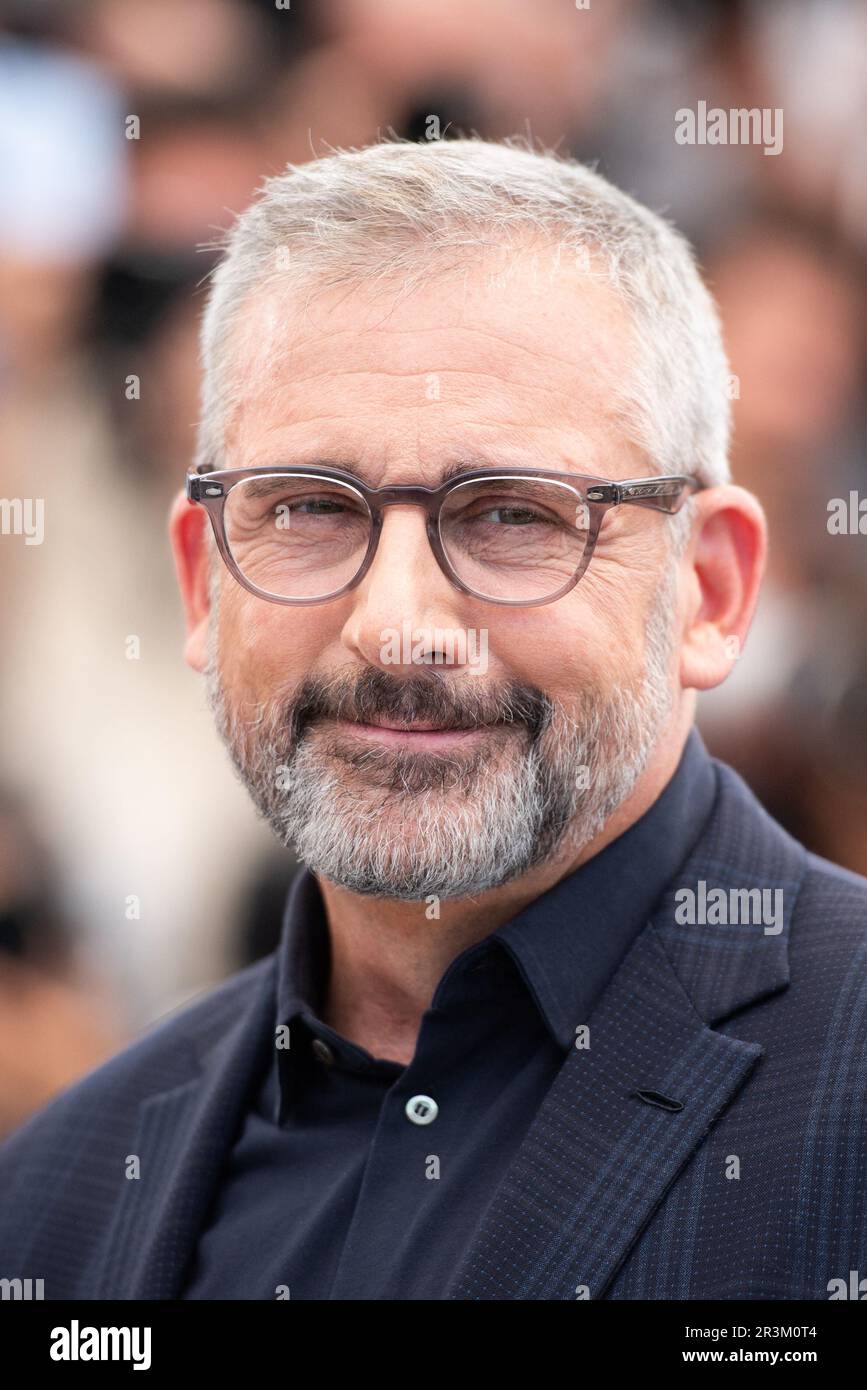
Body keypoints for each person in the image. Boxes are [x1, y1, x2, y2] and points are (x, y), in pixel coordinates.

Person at [2, 138, 865, 1301]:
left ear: (708, 589)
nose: (398, 626)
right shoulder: (54, 1197)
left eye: (510, 513)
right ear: (204, 583)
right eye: (309, 507)